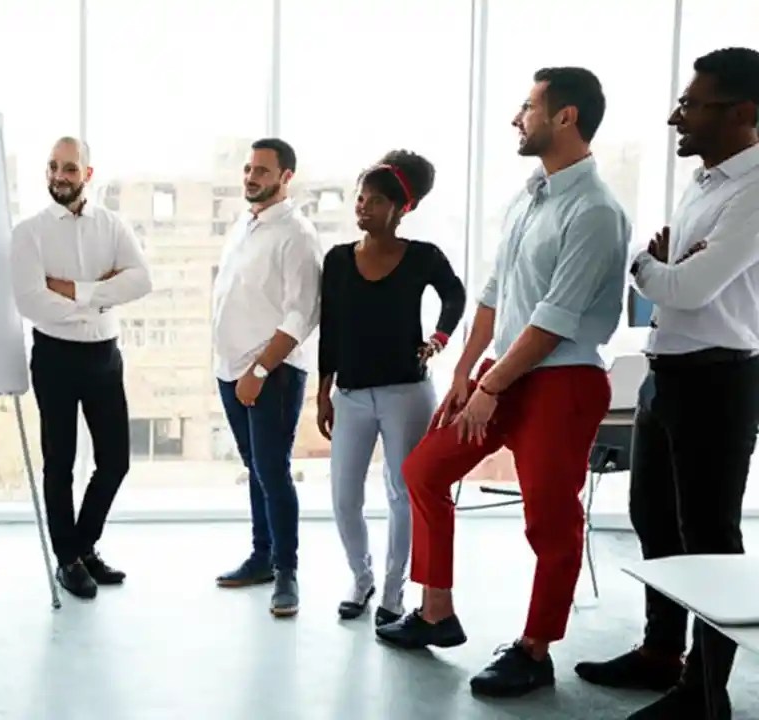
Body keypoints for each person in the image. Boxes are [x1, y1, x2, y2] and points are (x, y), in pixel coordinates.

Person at [375, 67, 630, 698]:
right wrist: (466, 372)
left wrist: (493, 385)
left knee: (550, 519)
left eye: (528, 106)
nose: (518, 118)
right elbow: (494, 292)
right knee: (424, 471)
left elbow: (555, 319)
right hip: (504, 374)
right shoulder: (529, 196)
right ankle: (436, 613)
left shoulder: (596, 210)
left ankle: (535, 651)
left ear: (565, 117)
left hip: (562, 382)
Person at [575, 46, 759, 720]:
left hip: (719, 381)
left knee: (708, 539)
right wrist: (666, 272)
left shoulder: (755, 189)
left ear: (742, 112)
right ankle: (661, 654)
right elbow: (677, 283)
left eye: (692, 103)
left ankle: (704, 695)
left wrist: (644, 265)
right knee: (654, 520)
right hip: (669, 373)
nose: (675, 115)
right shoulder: (707, 182)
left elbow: (687, 285)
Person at [317, 150, 466, 627]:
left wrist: (439, 339)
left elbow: (455, 294)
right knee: (344, 496)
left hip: (406, 393)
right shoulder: (338, 260)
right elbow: (331, 330)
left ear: (402, 209)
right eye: (360, 198)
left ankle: (393, 593)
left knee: (402, 494)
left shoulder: (422, 255)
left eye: (376, 200)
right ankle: (360, 579)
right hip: (352, 394)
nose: (363, 208)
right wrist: (324, 391)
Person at [10, 137, 152, 600]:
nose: (59, 176)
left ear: (87, 175)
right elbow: (31, 300)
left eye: (69, 168)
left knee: (116, 461)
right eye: (52, 166)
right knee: (60, 463)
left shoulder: (112, 226)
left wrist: (75, 291)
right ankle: (68, 559)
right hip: (54, 357)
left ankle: (82, 545)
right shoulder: (28, 232)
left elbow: (141, 280)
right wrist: (98, 298)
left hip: (104, 356)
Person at [212, 138, 322, 617]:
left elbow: (301, 316)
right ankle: (261, 557)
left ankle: (286, 573)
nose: (251, 177)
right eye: (248, 168)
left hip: (270, 373)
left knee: (273, 472)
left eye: (262, 170)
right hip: (230, 371)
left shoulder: (295, 234)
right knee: (255, 468)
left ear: (285, 177)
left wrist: (258, 370)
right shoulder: (246, 223)